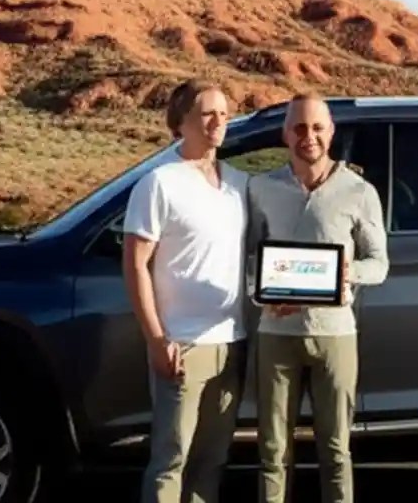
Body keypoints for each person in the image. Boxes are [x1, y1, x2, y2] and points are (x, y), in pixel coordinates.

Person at [246, 92, 389, 503]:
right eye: (299, 127)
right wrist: (264, 296)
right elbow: (251, 258)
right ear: (285, 134)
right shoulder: (261, 188)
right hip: (277, 333)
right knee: (272, 451)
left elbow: (379, 263)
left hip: (335, 335)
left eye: (317, 127)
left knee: (336, 449)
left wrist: (347, 277)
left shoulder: (359, 191)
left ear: (331, 131)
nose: (308, 136)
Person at [122, 78, 251, 503]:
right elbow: (135, 263)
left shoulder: (237, 185)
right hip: (181, 344)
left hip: (231, 342)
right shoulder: (159, 183)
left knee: (212, 459)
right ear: (181, 123)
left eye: (224, 115)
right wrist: (157, 340)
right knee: (170, 459)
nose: (217, 123)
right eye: (206, 113)